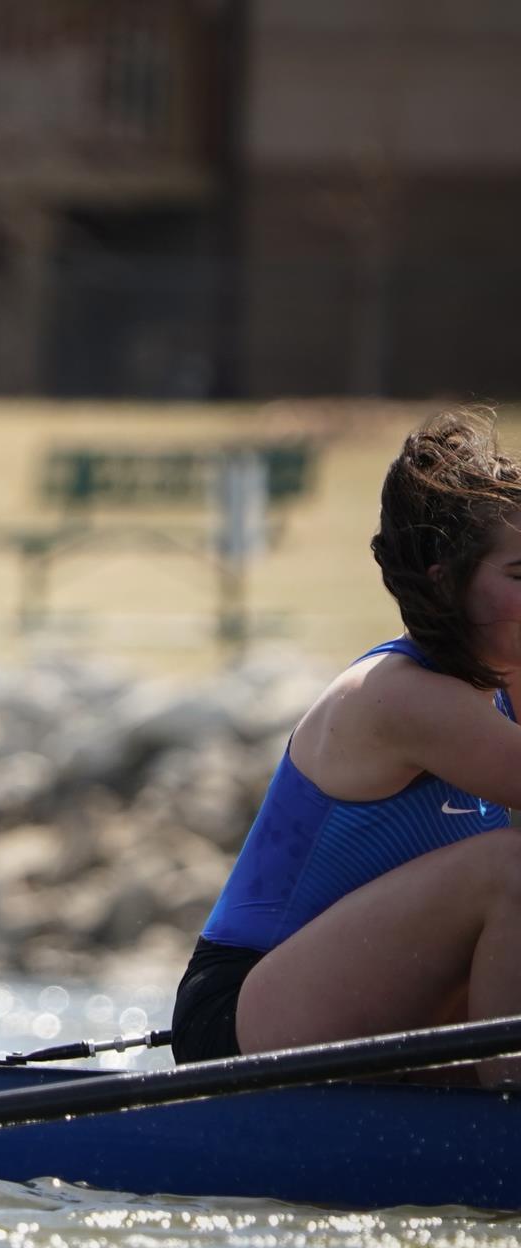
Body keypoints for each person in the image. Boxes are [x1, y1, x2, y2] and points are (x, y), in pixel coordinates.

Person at [174, 407, 521, 1086]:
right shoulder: (399, 696)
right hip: (239, 1020)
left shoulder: (504, 681)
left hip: (359, 999)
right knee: (513, 868)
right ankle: (506, 1124)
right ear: (446, 580)